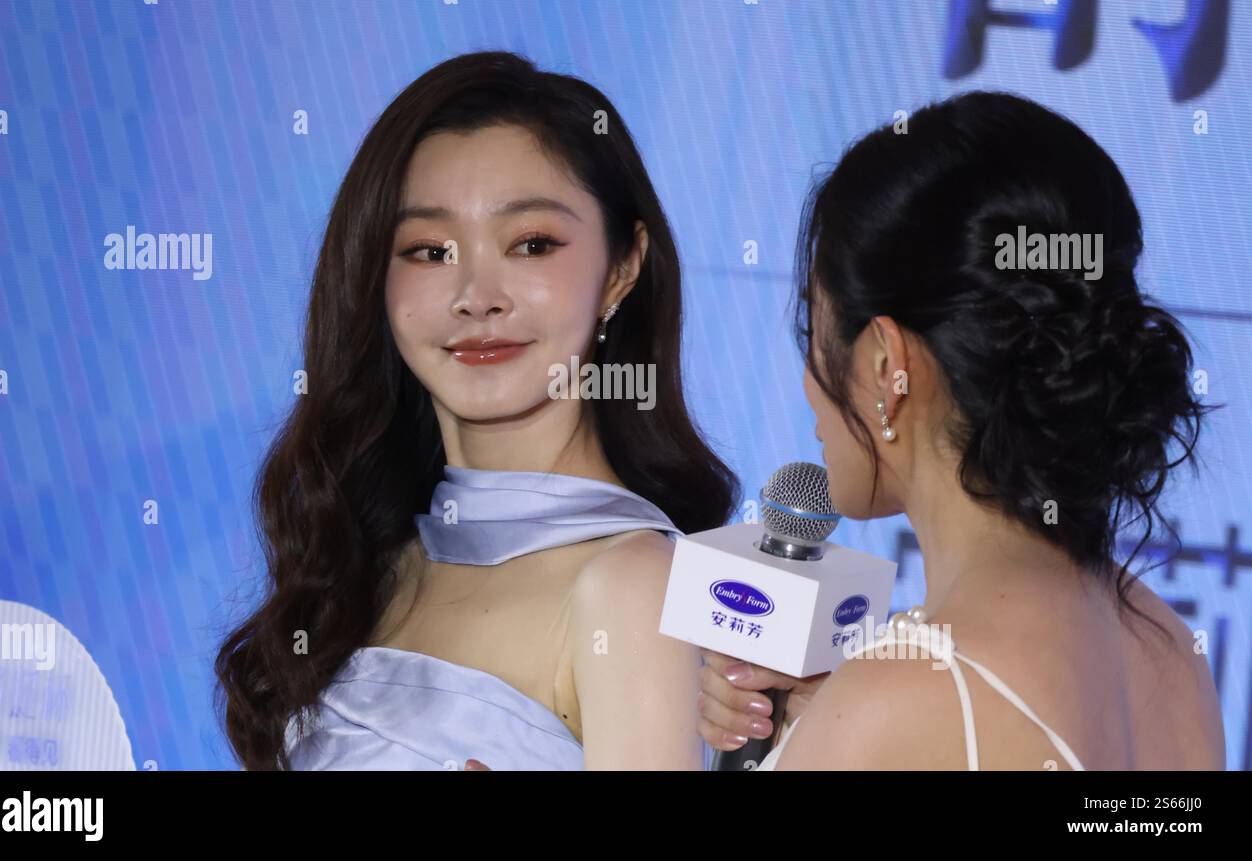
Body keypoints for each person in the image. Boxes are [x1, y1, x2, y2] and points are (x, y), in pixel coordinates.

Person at [215, 51, 737, 770]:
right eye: (429, 250)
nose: (476, 294)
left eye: (531, 244)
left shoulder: (630, 585)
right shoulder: (371, 565)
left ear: (622, 268)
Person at [699, 91, 1225, 771]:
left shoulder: (900, 699)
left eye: (815, 330)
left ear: (888, 365)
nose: (808, 383)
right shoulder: (1167, 646)